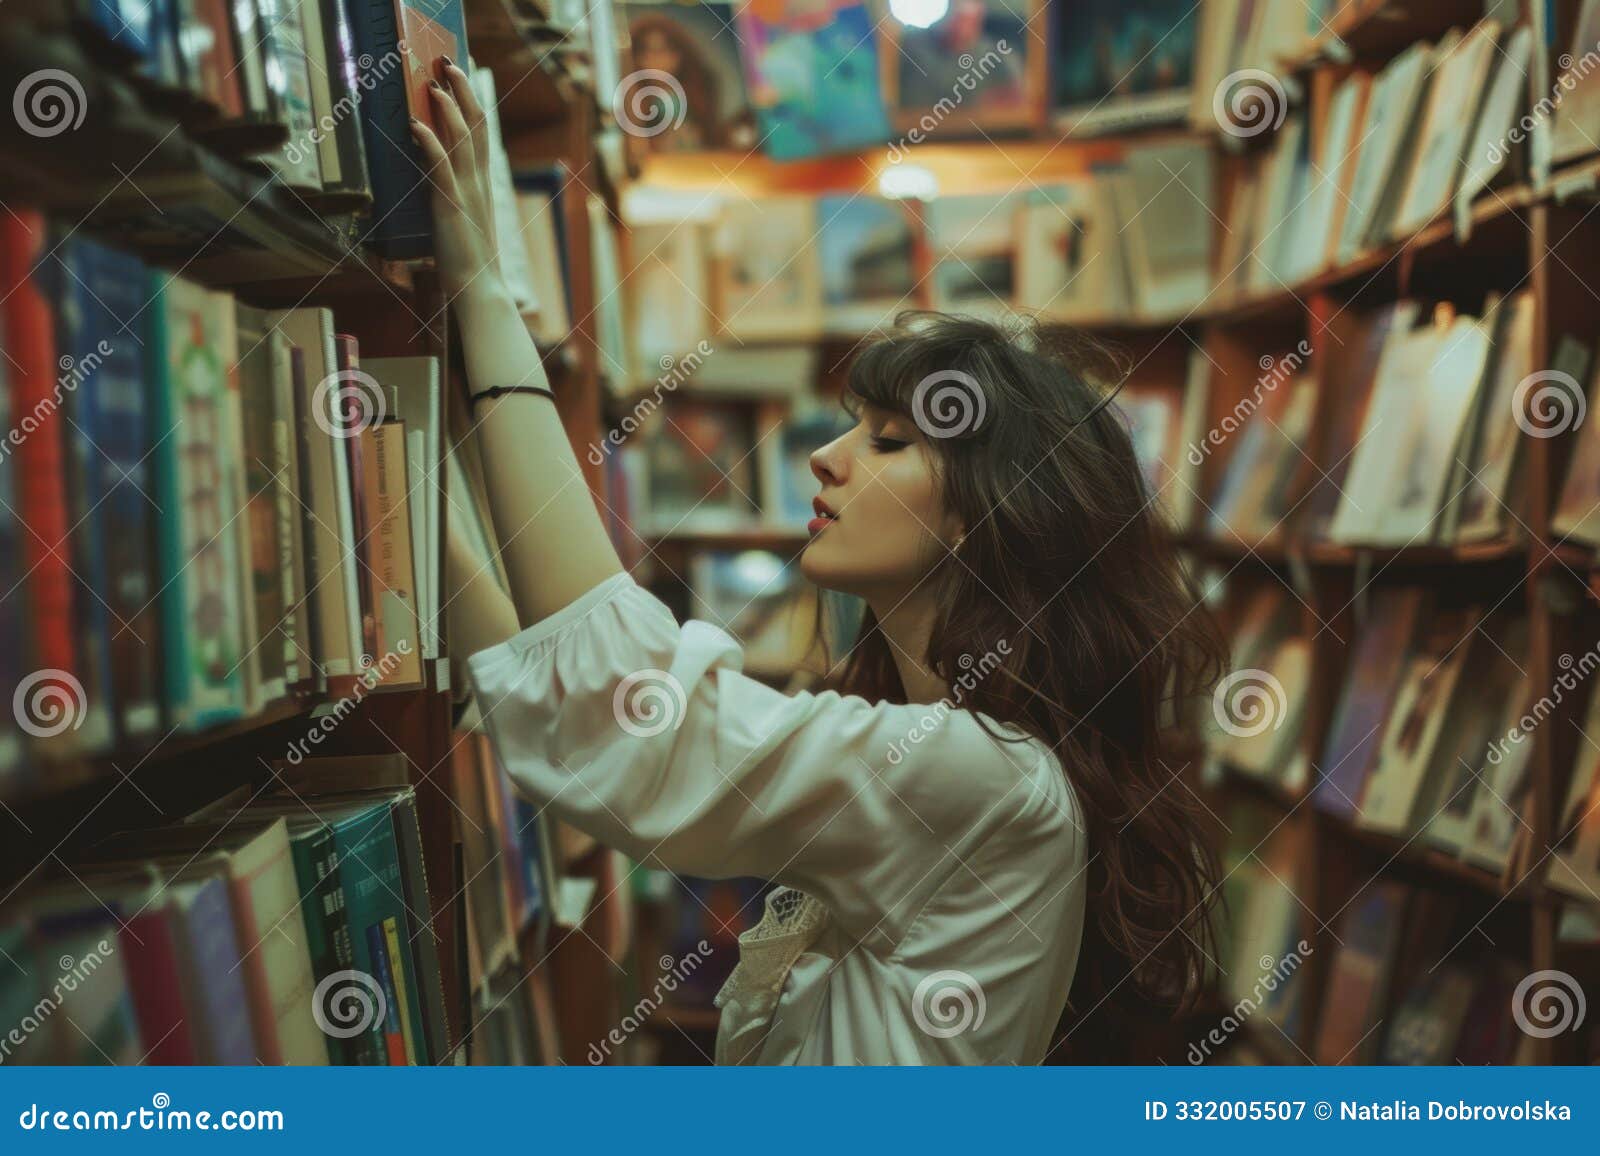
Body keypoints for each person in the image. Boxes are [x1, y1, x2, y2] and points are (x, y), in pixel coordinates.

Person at [413, 59, 1225, 1065]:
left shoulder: (984, 773)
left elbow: (630, 724)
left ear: (984, 517)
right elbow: (559, 703)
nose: (824, 456)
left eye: (888, 442)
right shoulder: (954, 754)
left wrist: (487, 297)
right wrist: (405, 506)